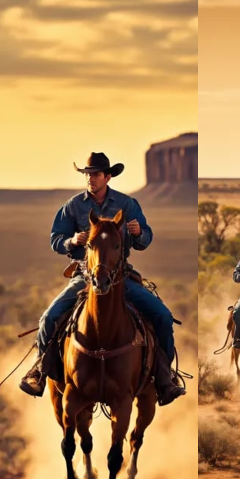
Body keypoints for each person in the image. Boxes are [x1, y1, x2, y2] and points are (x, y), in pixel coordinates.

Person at [19, 152, 185, 405]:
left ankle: (165, 377)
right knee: (49, 317)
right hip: (84, 276)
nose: (90, 178)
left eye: (95, 174)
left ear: (107, 177)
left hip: (120, 278)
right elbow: (55, 240)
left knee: (161, 316)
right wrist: (71, 241)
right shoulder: (73, 206)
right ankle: (39, 371)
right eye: (87, 174)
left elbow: (146, 239)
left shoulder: (127, 205)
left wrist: (140, 232)